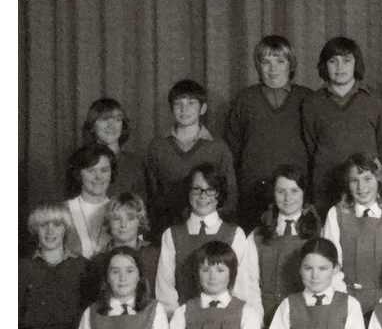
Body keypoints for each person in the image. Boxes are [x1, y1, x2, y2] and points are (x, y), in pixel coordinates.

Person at [226, 35, 313, 230]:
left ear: (290, 65)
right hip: (253, 194)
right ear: (258, 66)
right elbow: (232, 153)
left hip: (296, 193)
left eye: (280, 62)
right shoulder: (244, 100)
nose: (273, 69)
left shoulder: (307, 99)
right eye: (266, 62)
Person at [156, 164, 261, 317]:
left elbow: (242, 286)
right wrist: (176, 320)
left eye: (210, 190)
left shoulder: (235, 234)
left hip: (225, 317)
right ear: (188, 192)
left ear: (219, 194)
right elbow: (165, 288)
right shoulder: (172, 235)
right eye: (196, 189)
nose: (203, 196)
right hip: (184, 319)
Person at [301, 36, 382, 214]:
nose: (339, 67)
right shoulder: (312, 103)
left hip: (363, 187)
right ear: (324, 66)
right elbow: (310, 146)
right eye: (333, 61)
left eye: (346, 61)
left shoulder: (375, 101)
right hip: (325, 188)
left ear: (356, 64)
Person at [144, 79, 239, 237]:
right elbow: (151, 194)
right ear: (171, 108)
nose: (184, 109)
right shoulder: (157, 147)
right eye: (178, 104)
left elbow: (231, 195)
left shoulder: (218, 148)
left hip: (209, 231)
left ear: (203, 108)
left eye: (191, 103)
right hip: (168, 230)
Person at [321, 154, 382, 318]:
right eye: (354, 180)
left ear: (379, 180)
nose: (361, 187)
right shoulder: (336, 214)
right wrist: (346, 304)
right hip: (344, 302)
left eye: (368, 179)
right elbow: (330, 265)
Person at [251, 165, 323, 324]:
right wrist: (257, 318)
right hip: (266, 313)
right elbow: (249, 282)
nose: (287, 198)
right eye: (281, 191)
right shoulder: (258, 235)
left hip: (304, 314)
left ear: (304, 194)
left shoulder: (318, 233)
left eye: (294, 191)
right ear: (273, 194)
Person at [98, 193, 161, 301]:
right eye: (117, 219)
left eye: (130, 219)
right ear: (109, 222)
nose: (123, 225)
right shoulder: (100, 259)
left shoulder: (154, 255)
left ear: (140, 222)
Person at [82, 98, 143, 199]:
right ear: (92, 126)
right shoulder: (81, 160)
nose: (111, 125)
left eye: (117, 119)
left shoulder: (134, 163)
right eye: (104, 119)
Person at [64, 143, 114, 259]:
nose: (98, 177)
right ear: (78, 174)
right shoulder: (62, 212)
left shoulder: (121, 210)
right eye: (91, 171)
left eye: (104, 170)